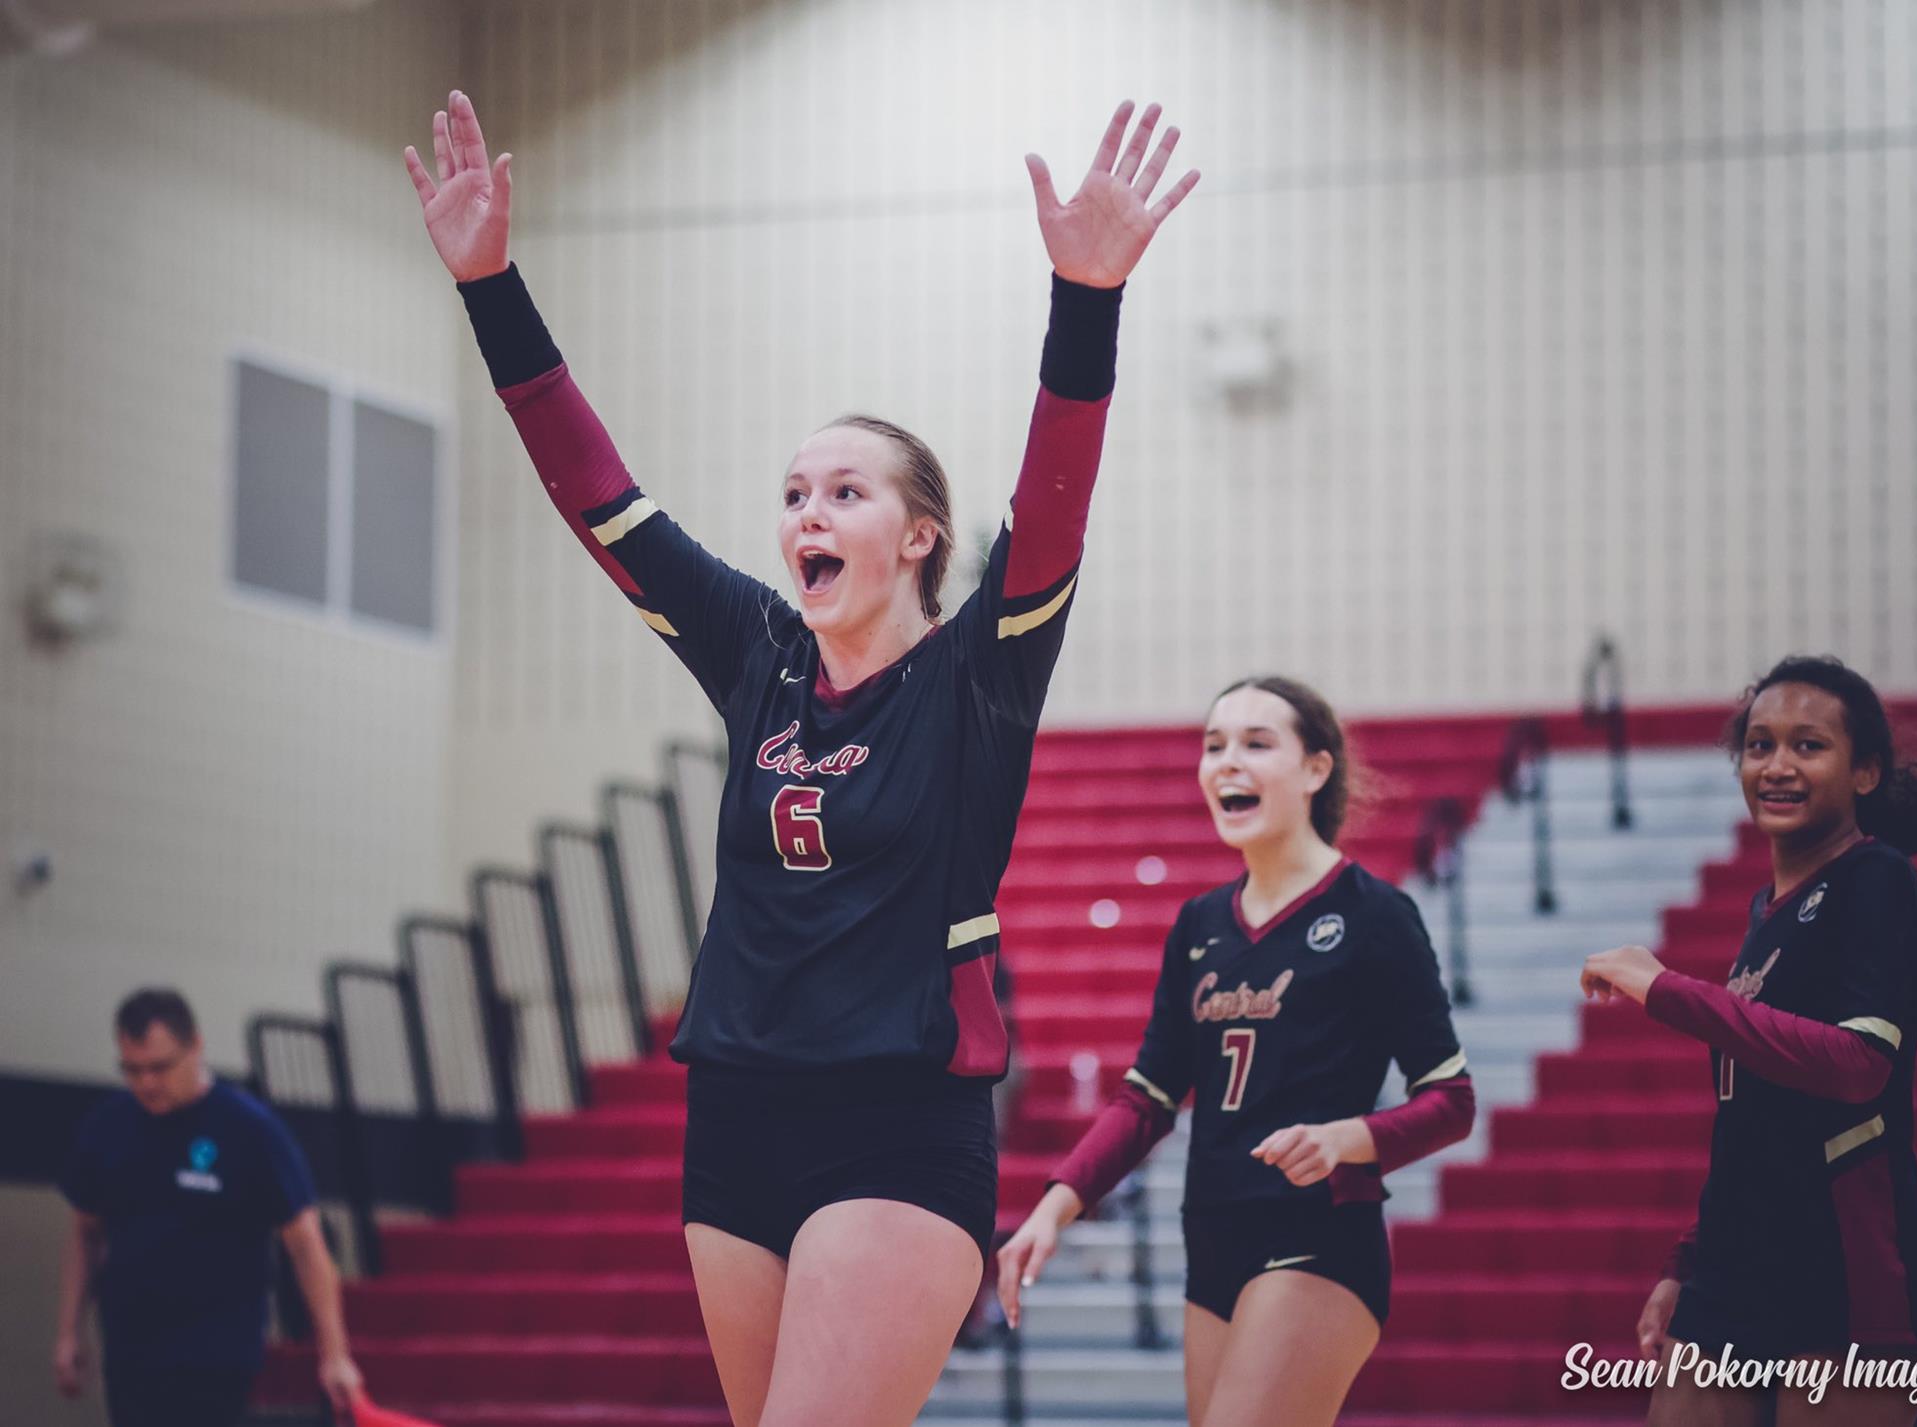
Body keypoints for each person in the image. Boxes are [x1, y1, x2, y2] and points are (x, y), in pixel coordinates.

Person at [402, 90, 1197, 1427]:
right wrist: (490, 287)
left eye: (845, 491)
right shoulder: (757, 650)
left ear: (921, 536)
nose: (806, 514)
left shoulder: (979, 671)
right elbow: (598, 497)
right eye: (791, 493)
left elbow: (1054, 505)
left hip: (897, 1121)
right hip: (736, 1116)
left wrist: (1086, 299)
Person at [996, 677, 1476, 1427]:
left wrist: (1349, 1138)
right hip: (1212, 1241)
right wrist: (1053, 1209)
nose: (1227, 762)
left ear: (1316, 769)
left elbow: (1452, 1099)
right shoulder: (1199, 925)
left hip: (1320, 1239)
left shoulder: (1376, 915)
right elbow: (1147, 1097)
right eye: (1214, 745)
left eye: (1257, 743)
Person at [1582, 656, 1917, 1427]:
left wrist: (1668, 988)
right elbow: (1754, 1127)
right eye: (1760, 744)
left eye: (1808, 745)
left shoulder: (1878, 879)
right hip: (1734, 1270)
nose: (1777, 764)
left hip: (1844, 1267)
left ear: (1864, 771)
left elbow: (1857, 1065)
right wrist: (1687, 1261)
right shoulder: (1764, 916)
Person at [53, 988, 365, 1427]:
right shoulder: (109, 1125)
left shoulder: (247, 1128)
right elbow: (85, 1232)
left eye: (160, 1068)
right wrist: (70, 1330)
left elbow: (307, 1245)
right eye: (132, 1070)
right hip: (131, 1341)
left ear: (195, 1046)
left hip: (215, 1348)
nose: (146, 1083)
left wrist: (335, 1355)